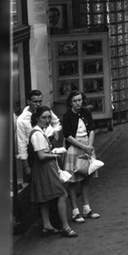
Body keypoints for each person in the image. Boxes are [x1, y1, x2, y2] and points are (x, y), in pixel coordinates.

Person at [27, 105, 78, 238]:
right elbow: (41, 156)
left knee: (44, 198)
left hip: (42, 168)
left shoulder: (39, 132)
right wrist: (55, 155)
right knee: (62, 194)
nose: (47, 120)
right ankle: (65, 227)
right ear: (37, 118)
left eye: (49, 117)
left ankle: (47, 225)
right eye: (44, 117)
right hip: (45, 168)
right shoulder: (37, 134)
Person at [62, 90, 100, 225]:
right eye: (75, 101)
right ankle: (75, 211)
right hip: (74, 149)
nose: (78, 103)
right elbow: (68, 136)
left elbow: (91, 129)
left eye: (79, 100)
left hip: (87, 147)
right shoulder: (66, 116)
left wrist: (89, 146)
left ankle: (86, 208)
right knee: (73, 181)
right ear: (70, 102)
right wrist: (84, 148)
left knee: (86, 178)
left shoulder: (86, 113)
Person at [16, 90, 61, 179]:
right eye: (35, 102)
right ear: (28, 102)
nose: (38, 104)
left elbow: (56, 122)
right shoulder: (22, 119)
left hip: (51, 145)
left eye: (40, 101)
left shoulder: (45, 110)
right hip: (35, 152)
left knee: (56, 176)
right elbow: (21, 143)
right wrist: (26, 166)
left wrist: (56, 132)